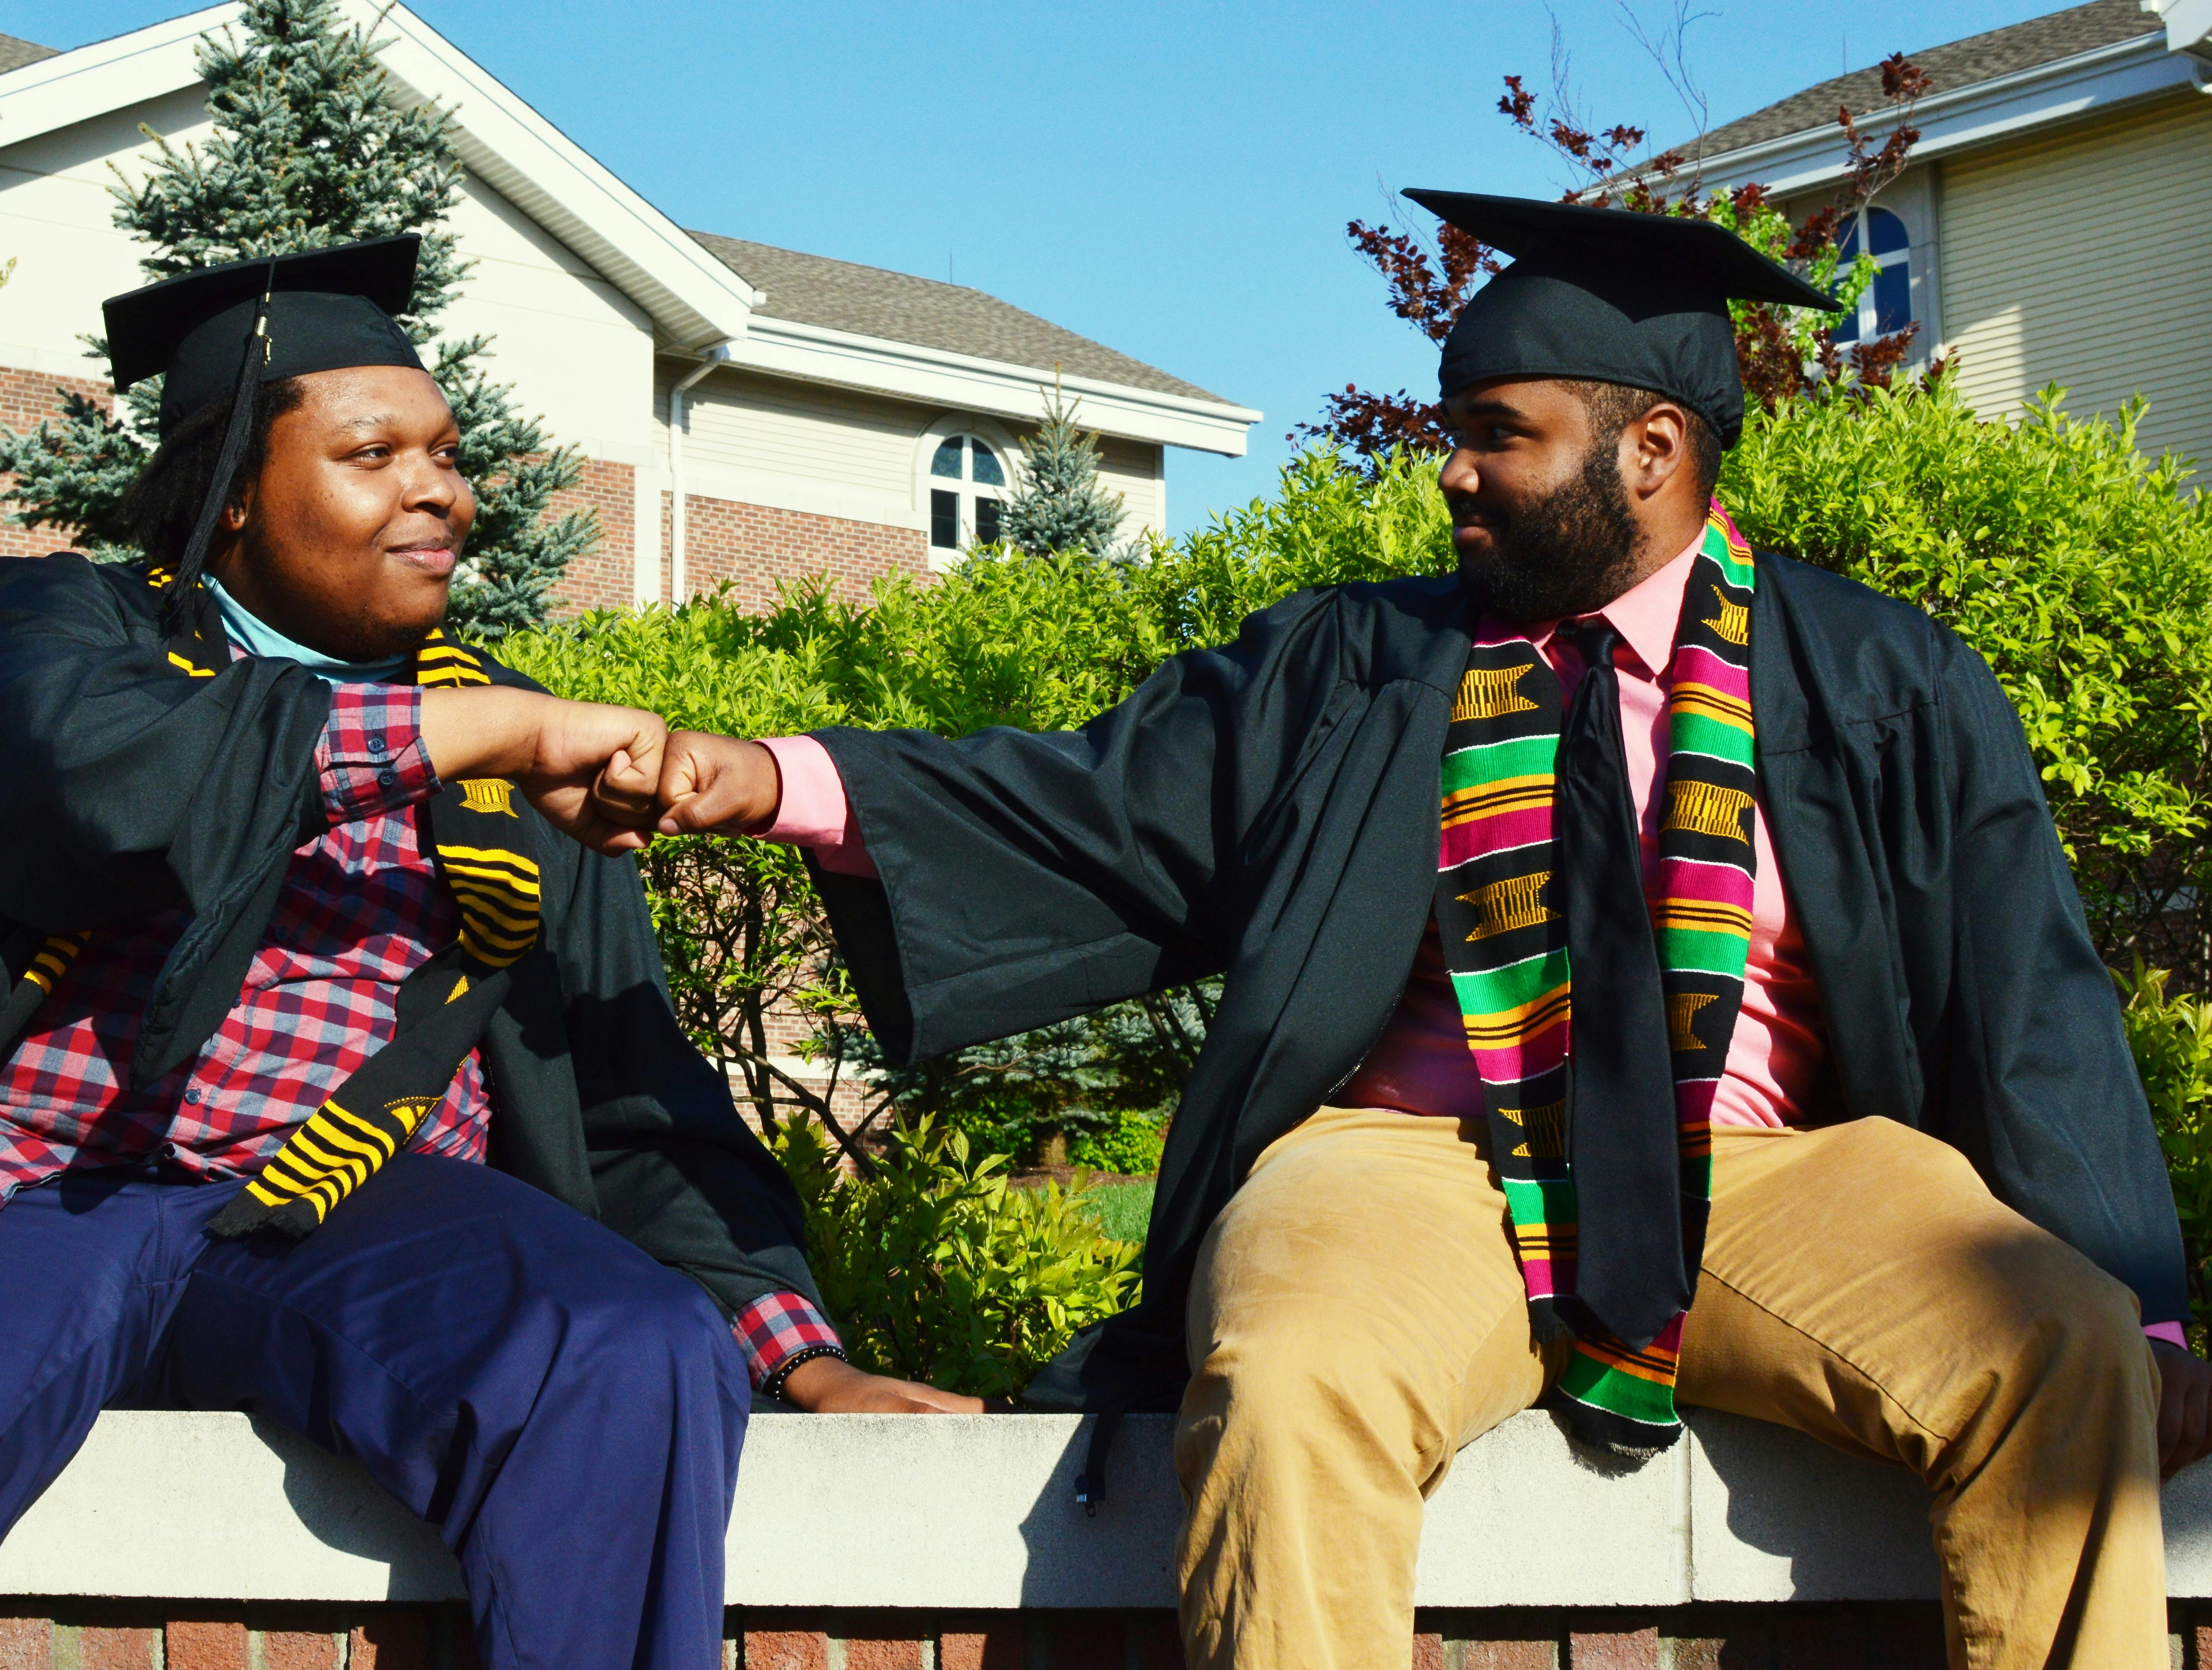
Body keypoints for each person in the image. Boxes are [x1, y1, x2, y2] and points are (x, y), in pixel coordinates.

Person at [641, 192, 2212, 1669]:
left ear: (1652, 448)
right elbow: (1099, 801)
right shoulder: (1366, 660)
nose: (1451, 472)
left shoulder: (1880, 679)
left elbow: (2029, 996)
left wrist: (2142, 1303)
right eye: (1455, 434)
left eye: (1497, 437)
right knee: (1289, 1383)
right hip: (1411, 1162)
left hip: (1773, 1168)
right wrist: (772, 779)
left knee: (2063, 1353)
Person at [0, 235, 970, 1670]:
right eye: (376, 453)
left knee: (622, 1350)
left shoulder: (523, 772)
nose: (443, 490)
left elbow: (625, 1091)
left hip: (355, 1210)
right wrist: (488, 728)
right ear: (233, 493)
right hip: (20, 1192)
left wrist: (803, 1359)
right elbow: (85, 781)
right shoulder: (67, 628)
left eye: (446, 453)